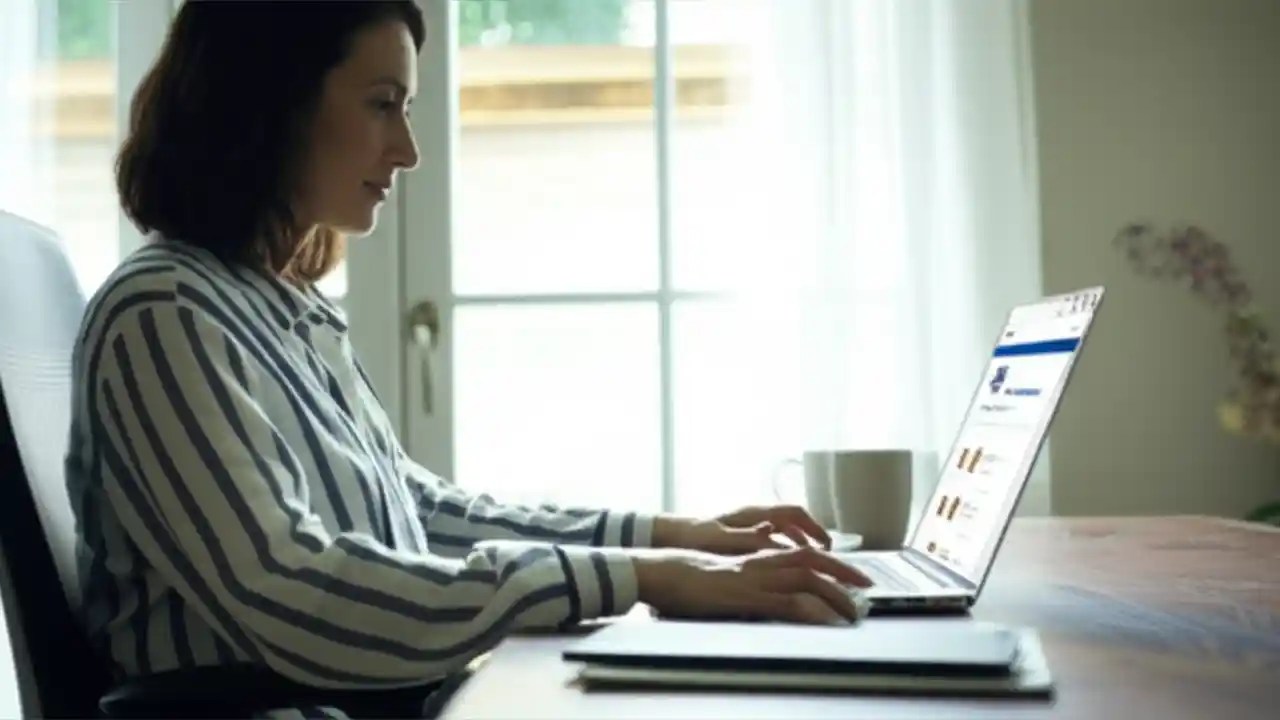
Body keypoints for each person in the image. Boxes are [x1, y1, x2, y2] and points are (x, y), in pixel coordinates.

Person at [64, 1, 871, 716]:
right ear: (269, 102)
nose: (407, 150)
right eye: (383, 105)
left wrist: (669, 539)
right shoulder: (166, 314)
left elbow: (418, 514)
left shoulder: (278, 309)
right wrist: (645, 576)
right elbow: (292, 594)